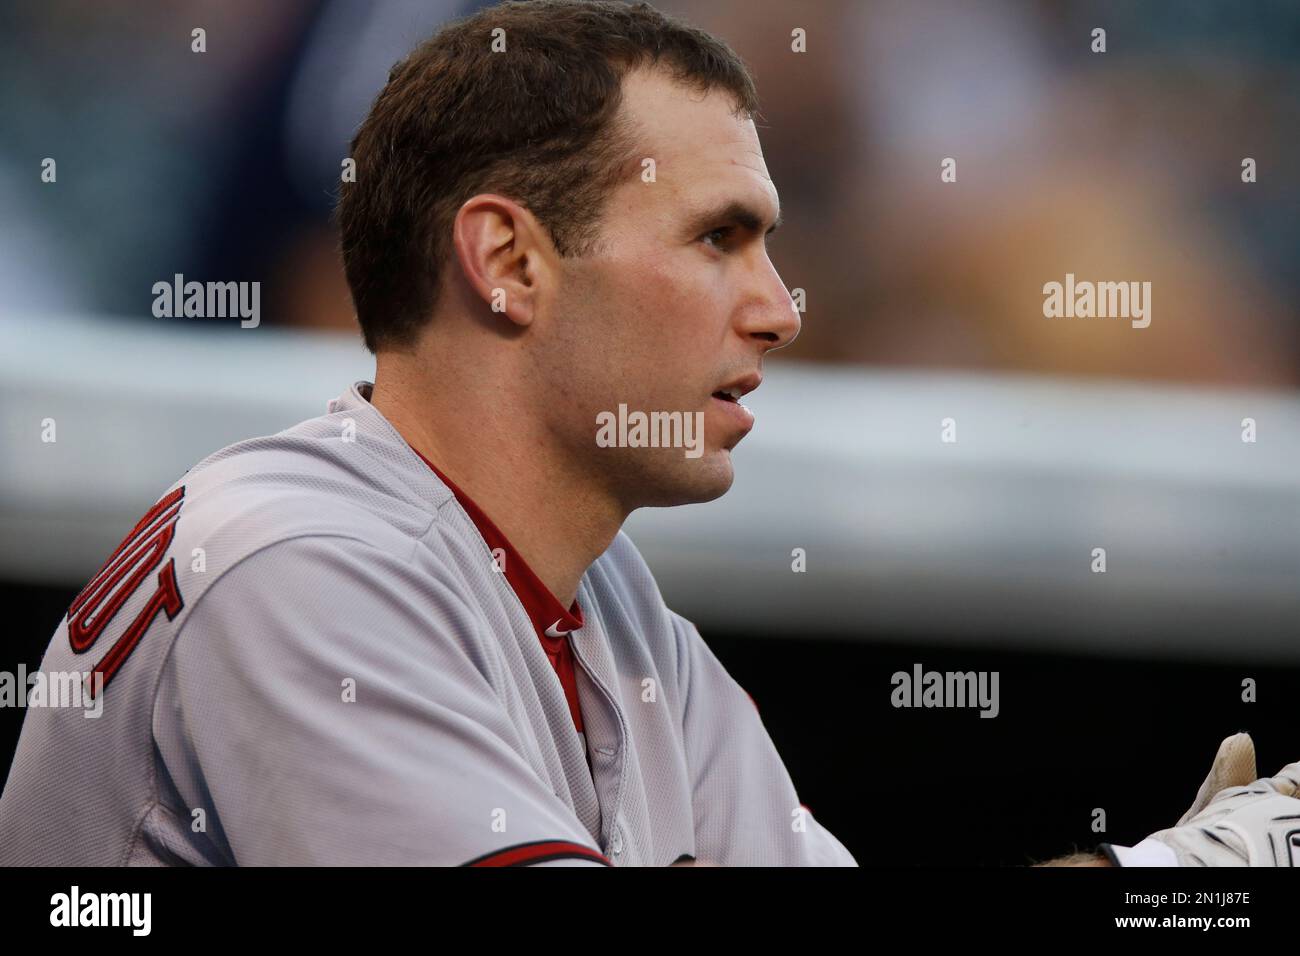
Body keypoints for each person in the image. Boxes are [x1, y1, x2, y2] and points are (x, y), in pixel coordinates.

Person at [1, 0, 1295, 868]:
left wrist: (1159, 883)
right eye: (719, 238)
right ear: (508, 263)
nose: (783, 312)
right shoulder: (300, 564)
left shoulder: (617, 614)